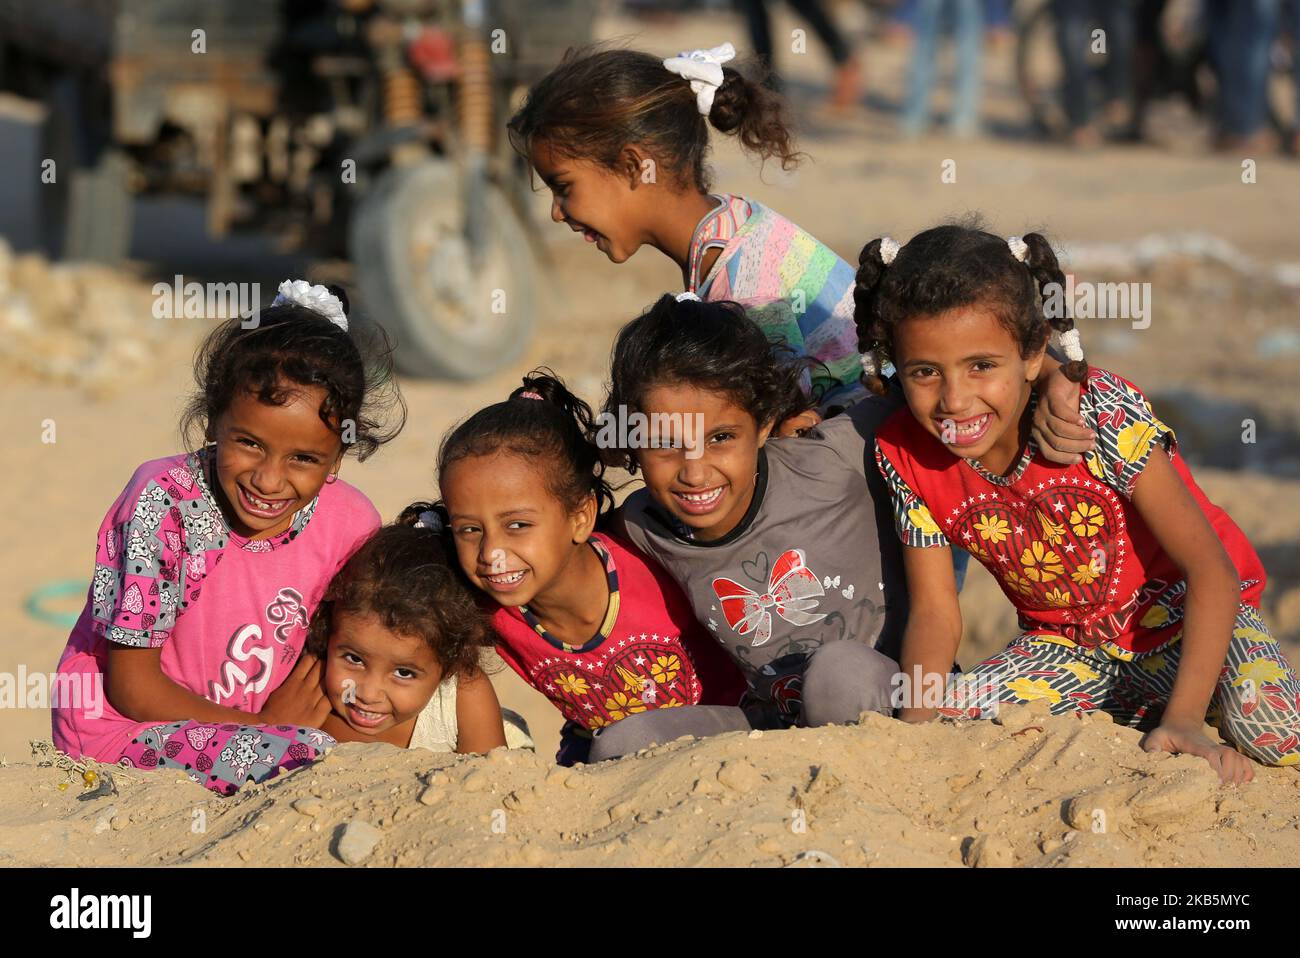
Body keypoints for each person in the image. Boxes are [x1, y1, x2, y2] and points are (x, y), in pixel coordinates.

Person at [856, 224, 1299, 782]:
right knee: (955, 722)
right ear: (896, 363)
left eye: (982, 366)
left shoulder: (1098, 414)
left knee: (1274, 733)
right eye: (925, 372)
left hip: (1190, 627)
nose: (955, 398)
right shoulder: (903, 455)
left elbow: (1212, 569)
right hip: (1066, 653)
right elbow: (936, 610)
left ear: (1034, 350)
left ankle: (1176, 707)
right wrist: (915, 735)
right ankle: (1130, 712)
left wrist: (1184, 721)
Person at [51, 281, 404, 795]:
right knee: (319, 765)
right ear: (215, 421)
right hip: (123, 729)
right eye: (249, 443)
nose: (268, 479)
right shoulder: (163, 502)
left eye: (303, 458)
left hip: (260, 720)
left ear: (338, 456)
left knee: (407, 726)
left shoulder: (351, 522)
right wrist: (263, 728)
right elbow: (131, 687)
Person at [436, 372, 749, 765]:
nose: (492, 552)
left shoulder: (657, 557)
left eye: (518, 525)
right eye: (469, 529)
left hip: (738, 737)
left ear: (581, 517)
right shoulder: (483, 606)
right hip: (601, 755)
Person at [304, 514, 533, 754]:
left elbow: (490, 782)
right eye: (354, 659)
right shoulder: (307, 693)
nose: (368, 694)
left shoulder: (463, 697)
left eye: (404, 673)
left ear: (451, 664)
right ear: (328, 634)